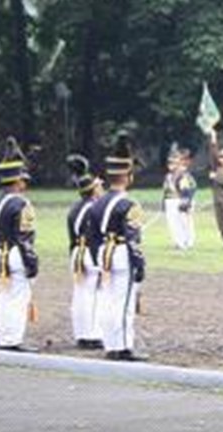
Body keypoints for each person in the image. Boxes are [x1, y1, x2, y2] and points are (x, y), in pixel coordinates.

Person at [91, 136, 147, 361]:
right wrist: (139, 264)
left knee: (108, 300)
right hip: (122, 254)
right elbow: (133, 240)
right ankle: (123, 347)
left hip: (104, 253)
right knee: (123, 303)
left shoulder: (98, 203)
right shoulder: (129, 204)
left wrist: (99, 258)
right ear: (128, 176)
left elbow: (92, 236)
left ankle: (111, 343)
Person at [0, 149, 38, 352]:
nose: (25, 184)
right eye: (23, 179)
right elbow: (25, 238)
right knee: (18, 297)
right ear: (18, 181)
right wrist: (32, 263)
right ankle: (13, 340)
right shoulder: (22, 203)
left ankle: (5, 337)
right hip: (16, 254)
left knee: (4, 297)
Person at [65, 154, 103, 349]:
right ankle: (92, 334)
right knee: (93, 295)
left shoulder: (75, 208)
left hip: (76, 252)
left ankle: (81, 333)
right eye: (99, 186)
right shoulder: (95, 209)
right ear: (93, 189)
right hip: (90, 252)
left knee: (80, 294)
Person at [163, 147, 197, 250]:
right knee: (173, 223)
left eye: (174, 163)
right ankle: (179, 242)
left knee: (185, 222)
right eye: (170, 163)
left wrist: (186, 201)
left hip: (181, 200)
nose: (171, 165)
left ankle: (188, 241)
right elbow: (166, 190)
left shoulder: (183, 175)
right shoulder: (168, 176)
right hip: (170, 200)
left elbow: (190, 188)